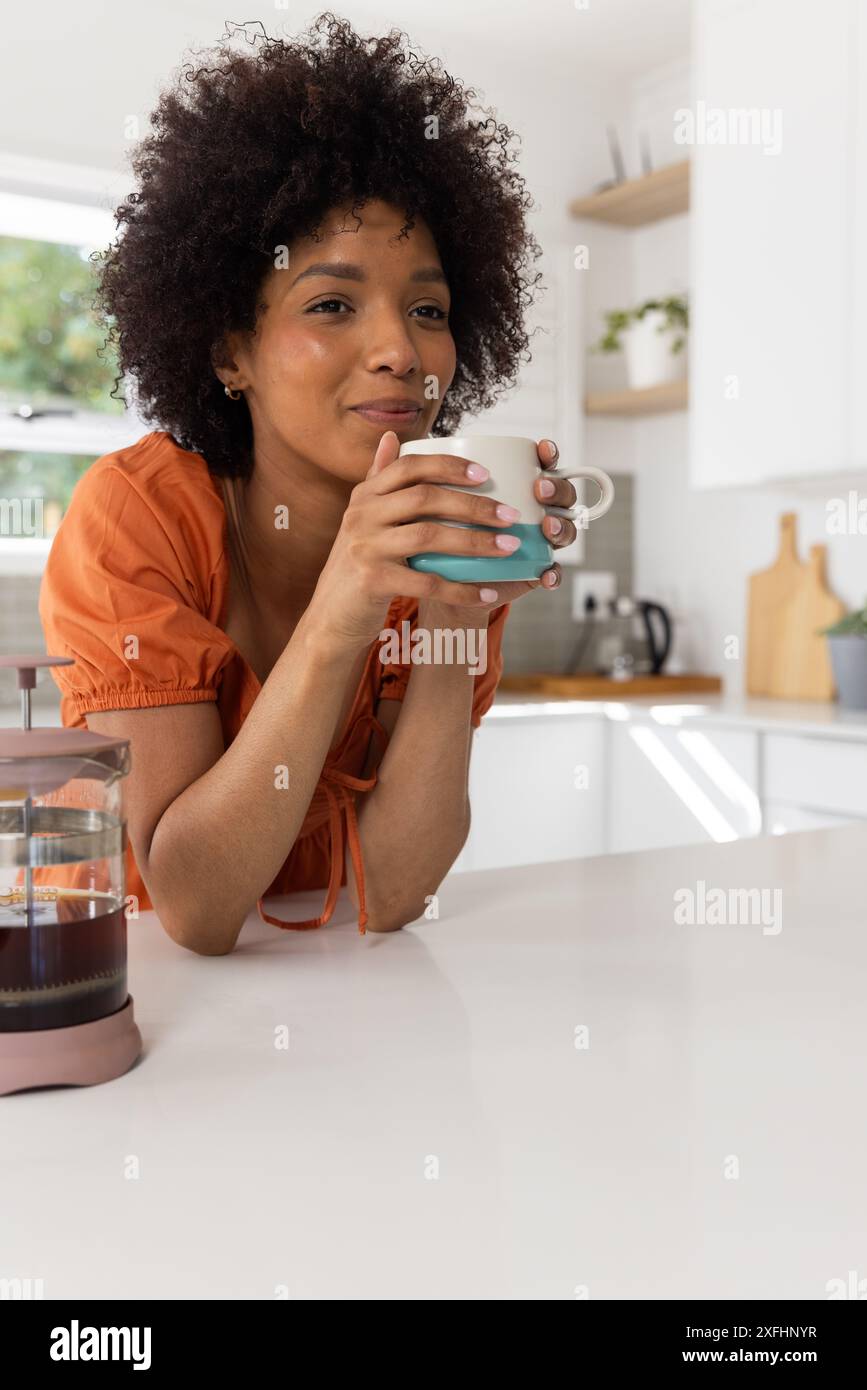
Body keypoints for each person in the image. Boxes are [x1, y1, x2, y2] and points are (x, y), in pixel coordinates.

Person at [38, 15, 580, 954]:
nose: (401, 353)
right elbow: (198, 911)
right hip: (133, 995)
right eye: (330, 304)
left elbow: (399, 888)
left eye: (428, 309)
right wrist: (346, 607)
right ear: (229, 350)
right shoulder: (135, 519)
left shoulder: (442, 533)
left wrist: (454, 618)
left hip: (337, 1010)